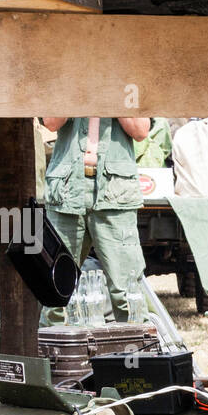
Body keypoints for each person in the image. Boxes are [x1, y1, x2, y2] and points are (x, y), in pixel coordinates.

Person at [40, 116, 151, 323]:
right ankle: (53, 353)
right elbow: (51, 122)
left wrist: (113, 90)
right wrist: (78, 87)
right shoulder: (65, 82)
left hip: (115, 193)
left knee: (127, 293)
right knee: (55, 292)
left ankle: (136, 353)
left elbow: (140, 131)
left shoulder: (126, 85)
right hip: (67, 191)